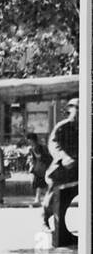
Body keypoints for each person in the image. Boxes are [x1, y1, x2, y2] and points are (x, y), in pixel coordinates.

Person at [43, 98, 79, 233]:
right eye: (76, 109)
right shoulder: (62, 126)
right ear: (70, 110)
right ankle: (44, 220)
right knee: (53, 196)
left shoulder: (85, 127)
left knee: (68, 198)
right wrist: (64, 157)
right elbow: (53, 144)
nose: (78, 112)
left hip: (77, 170)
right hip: (61, 169)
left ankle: (61, 226)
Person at [25, 132, 52, 208]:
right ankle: (42, 198)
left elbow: (39, 156)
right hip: (38, 167)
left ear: (32, 140)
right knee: (39, 184)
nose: (28, 141)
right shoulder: (35, 146)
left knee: (39, 183)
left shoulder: (37, 147)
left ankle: (39, 199)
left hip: (41, 167)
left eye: (29, 140)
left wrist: (32, 151)